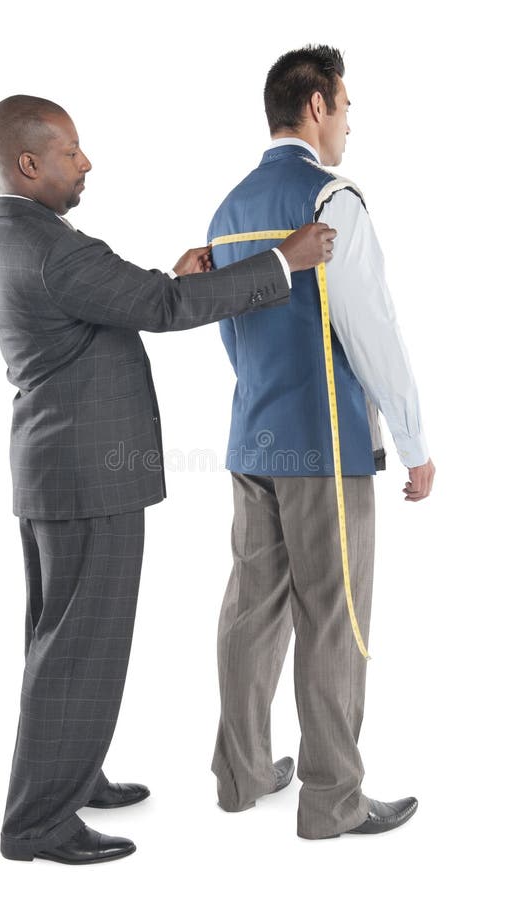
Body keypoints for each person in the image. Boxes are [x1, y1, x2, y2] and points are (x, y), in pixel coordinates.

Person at [0, 94, 335, 865]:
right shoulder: (49, 246)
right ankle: (38, 823)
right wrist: (280, 262)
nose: (86, 162)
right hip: (86, 479)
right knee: (81, 648)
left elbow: (112, 301)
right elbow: (163, 307)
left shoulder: (15, 236)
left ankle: (69, 776)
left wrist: (163, 277)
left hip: (54, 471)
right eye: (71, 151)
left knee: (59, 642)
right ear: (29, 162)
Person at [208, 45, 435, 841]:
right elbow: (370, 327)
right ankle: (332, 799)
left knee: (249, 611)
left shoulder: (227, 207)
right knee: (333, 618)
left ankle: (238, 776)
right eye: (344, 107)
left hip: (251, 439)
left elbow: (229, 329)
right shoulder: (330, 198)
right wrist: (412, 439)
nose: (346, 123)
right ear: (314, 106)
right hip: (324, 446)